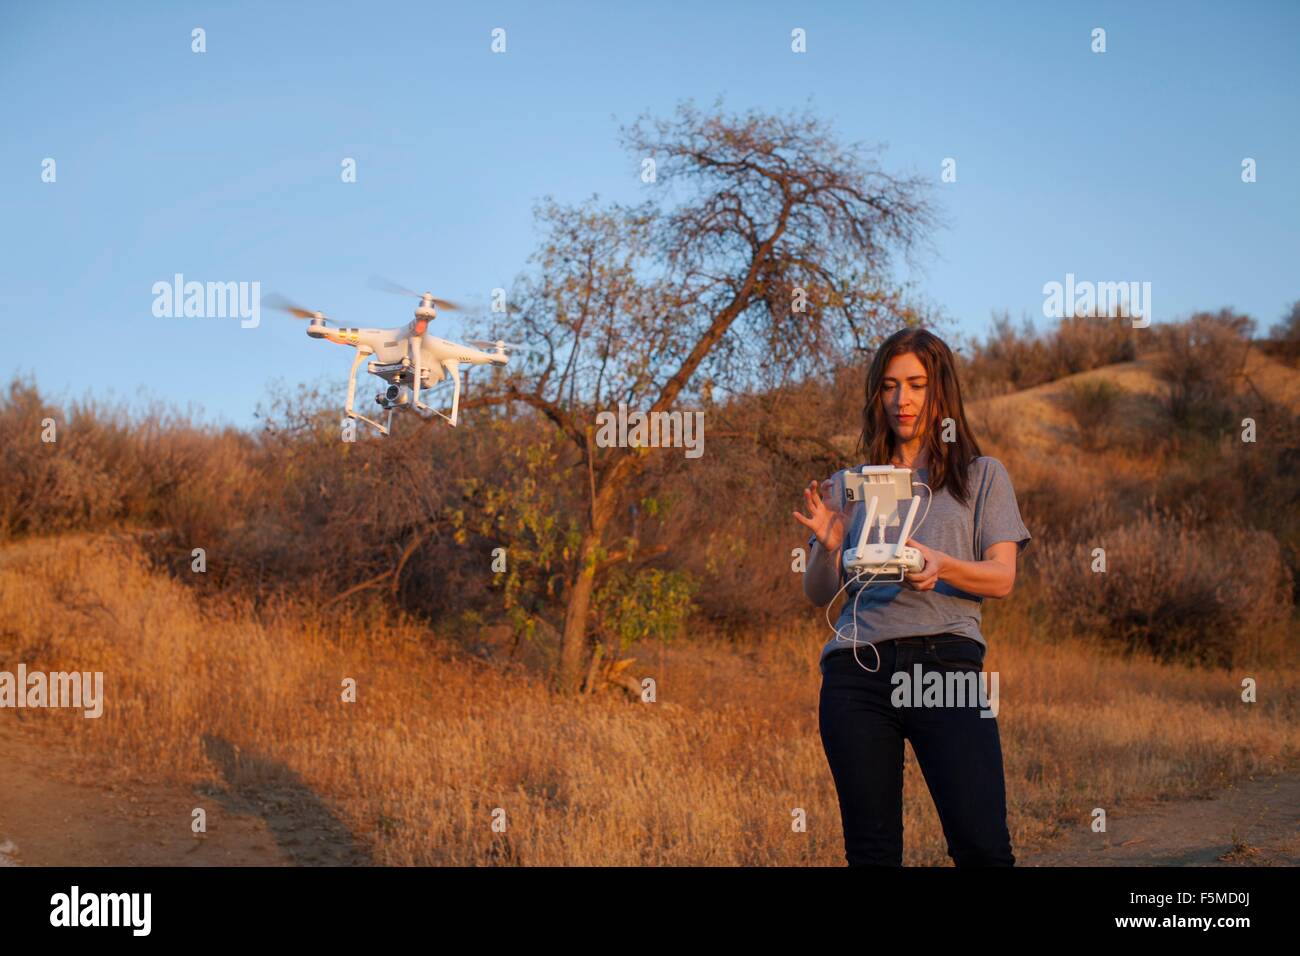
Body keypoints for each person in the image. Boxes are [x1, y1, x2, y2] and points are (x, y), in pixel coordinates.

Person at [793, 327, 1031, 867]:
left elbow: (1002, 577)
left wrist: (942, 566)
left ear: (941, 390)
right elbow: (818, 594)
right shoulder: (849, 483)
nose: (903, 400)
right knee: (872, 853)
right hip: (857, 671)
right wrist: (829, 545)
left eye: (918, 385)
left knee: (982, 846)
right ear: (877, 395)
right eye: (890, 386)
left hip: (945, 665)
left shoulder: (981, 475)